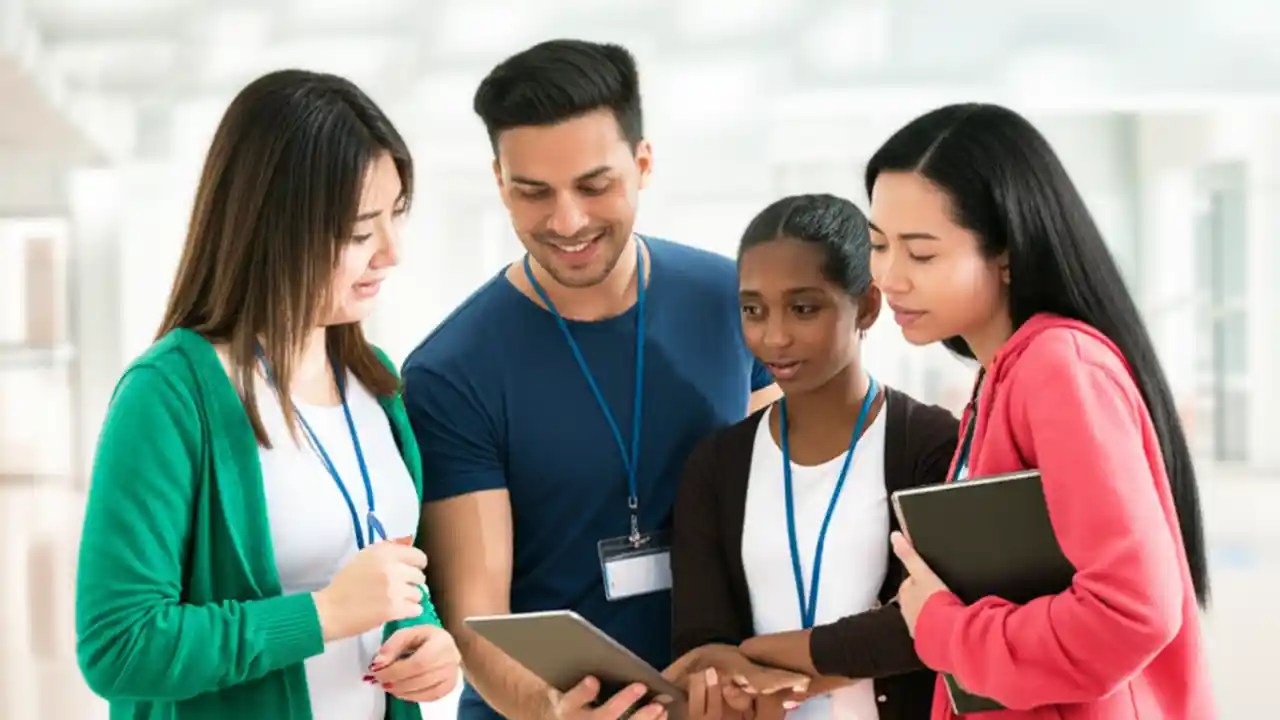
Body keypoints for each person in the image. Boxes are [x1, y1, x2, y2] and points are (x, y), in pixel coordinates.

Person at [401, 39, 779, 720]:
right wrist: (553, 711)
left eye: (594, 186)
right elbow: (478, 621)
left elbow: (785, 516)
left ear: (643, 164)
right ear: (499, 182)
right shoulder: (451, 372)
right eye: (533, 193)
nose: (567, 221)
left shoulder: (735, 301)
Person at [74, 69, 461, 720]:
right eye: (360, 231)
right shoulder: (168, 396)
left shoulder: (375, 380)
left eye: (396, 215)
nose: (392, 252)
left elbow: (384, 571)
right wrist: (325, 615)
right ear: (274, 227)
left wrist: (426, 636)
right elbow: (120, 645)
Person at [864, 103, 1215, 719]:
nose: (889, 277)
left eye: (921, 254)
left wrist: (945, 628)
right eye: (878, 245)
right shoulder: (1003, 376)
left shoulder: (1058, 368)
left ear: (1005, 253)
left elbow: (1129, 611)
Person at [668, 194, 958, 720]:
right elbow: (700, 647)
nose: (774, 336)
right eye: (753, 310)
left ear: (866, 306)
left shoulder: (931, 446)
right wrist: (718, 671)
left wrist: (757, 659)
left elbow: (932, 626)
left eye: (803, 309)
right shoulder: (716, 466)